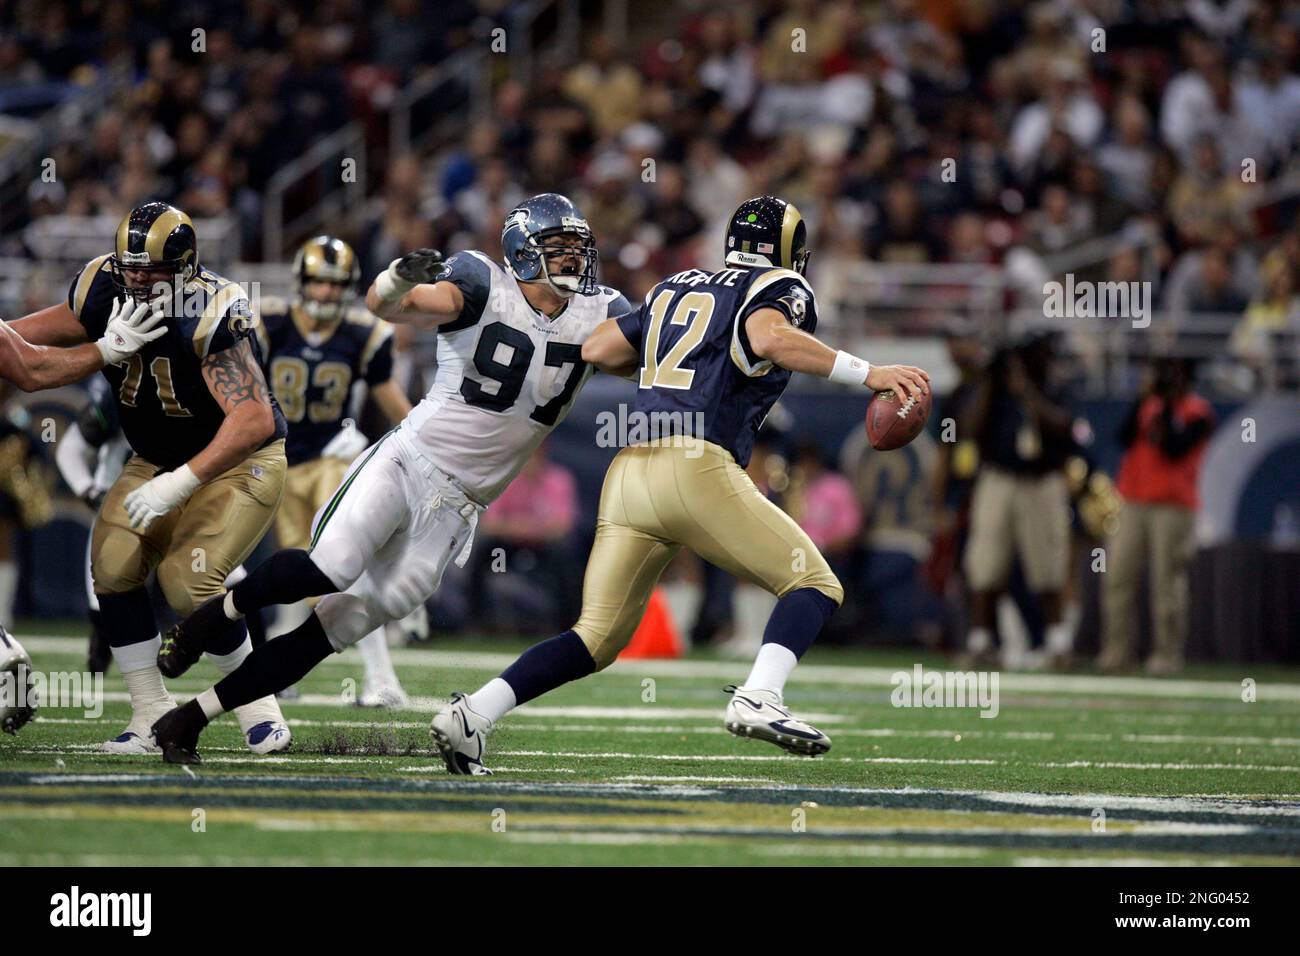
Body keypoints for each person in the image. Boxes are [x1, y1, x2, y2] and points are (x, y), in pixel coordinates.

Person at [431, 195, 930, 775]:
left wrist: (666, 360)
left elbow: (597, 347)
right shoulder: (780, 287)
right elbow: (767, 336)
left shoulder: (677, 286)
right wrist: (869, 372)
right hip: (695, 465)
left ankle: (472, 714)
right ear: (793, 252)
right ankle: (760, 696)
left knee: (595, 638)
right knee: (814, 584)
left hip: (630, 471)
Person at [149, 193, 631, 764]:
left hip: (461, 505)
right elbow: (386, 305)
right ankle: (215, 615)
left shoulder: (601, 310)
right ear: (523, 254)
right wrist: (397, 277)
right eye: (558, 250)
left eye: (578, 251)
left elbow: (639, 351)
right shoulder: (480, 281)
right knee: (329, 567)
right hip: (409, 460)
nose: (574, 263)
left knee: (330, 633)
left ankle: (190, 717)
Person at [8, 201, 292, 754]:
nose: (136, 279)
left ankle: (260, 708)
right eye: (129, 266)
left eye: (152, 269)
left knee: (189, 582)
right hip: (153, 457)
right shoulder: (100, 285)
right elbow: (21, 347)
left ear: (185, 266)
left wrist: (182, 481)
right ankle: (149, 712)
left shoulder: (209, 309)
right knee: (111, 567)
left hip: (237, 460)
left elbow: (253, 418)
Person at [253, 235, 414, 707]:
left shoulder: (364, 334)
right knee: (288, 570)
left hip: (331, 458)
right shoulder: (268, 324)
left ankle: (381, 678)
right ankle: (271, 672)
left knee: (341, 564)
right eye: (319, 283)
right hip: (273, 460)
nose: (325, 294)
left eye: (335, 285)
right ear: (302, 283)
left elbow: (395, 406)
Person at [1099, 357, 1214, 675]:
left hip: (1173, 506)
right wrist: (1144, 399)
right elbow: (1122, 437)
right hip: (1133, 500)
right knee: (1118, 577)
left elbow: (1174, 447)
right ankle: (1117, 651)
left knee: (1167, 580)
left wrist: (1164, 405)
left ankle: (1166, 654)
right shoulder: (1146, 405)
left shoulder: (1198, 412)